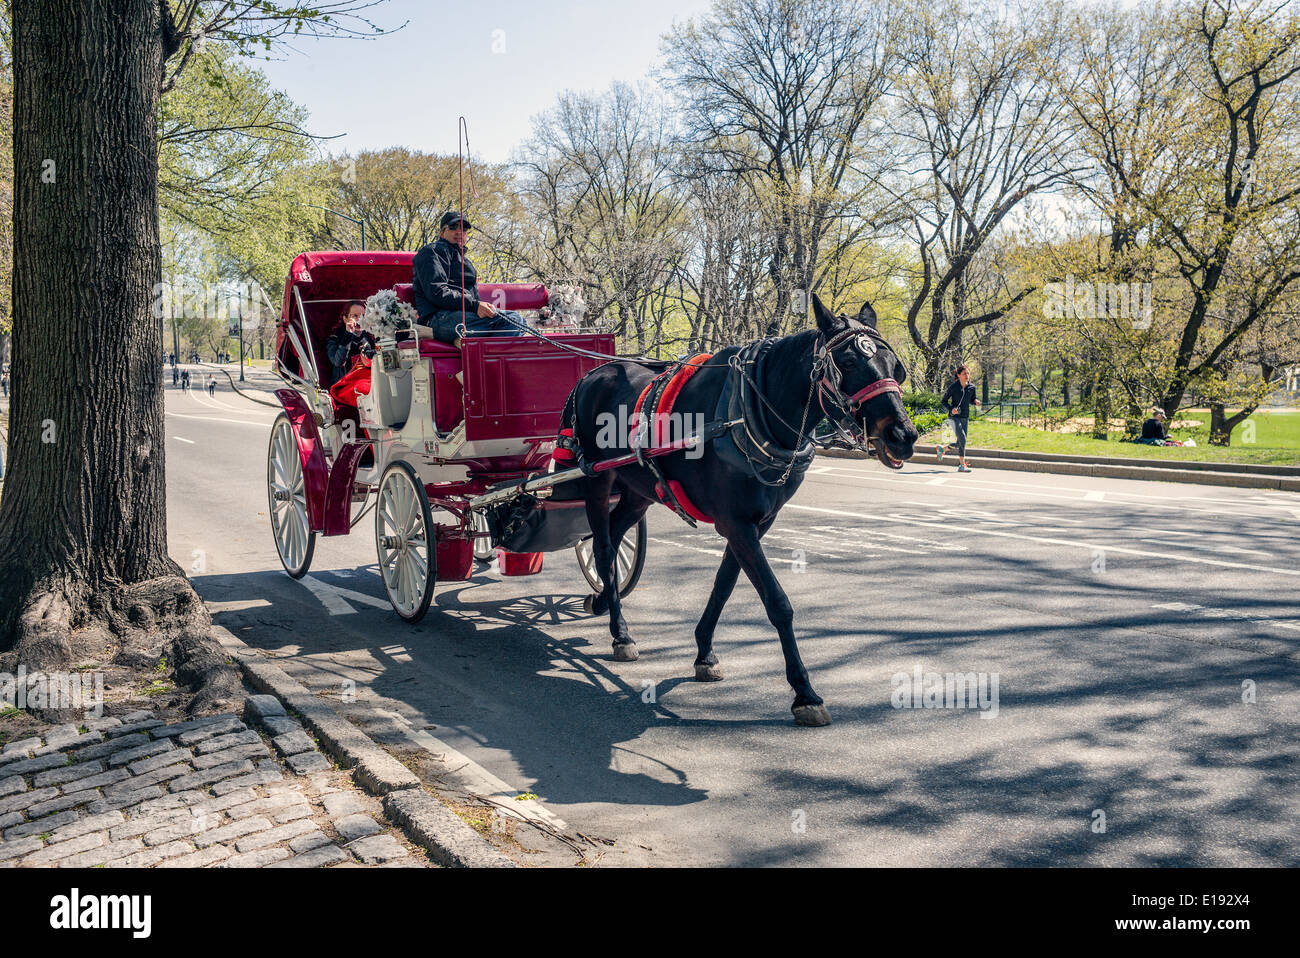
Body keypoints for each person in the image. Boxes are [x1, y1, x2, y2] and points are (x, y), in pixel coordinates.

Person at [411, 211, 527, 345]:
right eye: (453, 227)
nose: (459, 232)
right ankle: (481, 356)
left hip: (463, 316)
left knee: (519, 322)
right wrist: (474, 305)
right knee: (512, 320)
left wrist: (479, 308)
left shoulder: (465, 261)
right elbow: (437, 292)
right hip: (438, 317)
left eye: (464, 228)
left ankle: (472, 346)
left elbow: (473, 297)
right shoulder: (431, 252)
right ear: (442, 232)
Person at [936, 363, 980, 472]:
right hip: (954, 417)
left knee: (960, 442)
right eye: (965, 373)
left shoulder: (972, 387)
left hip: (965, 416)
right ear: (959, 375)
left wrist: (975, 402)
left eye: (968, 373)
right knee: (963, 440)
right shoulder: (953, 387)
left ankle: (943, 449)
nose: (967, 375)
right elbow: (944, 401)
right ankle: (962, 465)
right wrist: (951, 409)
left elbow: (971, 399)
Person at [325, 300, 376, 387]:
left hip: (369, 380)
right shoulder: (334, 339)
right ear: (345, 318)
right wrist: (348, 334)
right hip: (346, 384)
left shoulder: (371, 336)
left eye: (363, 316)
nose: (360, 320)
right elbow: (338, 362)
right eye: (355, 316)